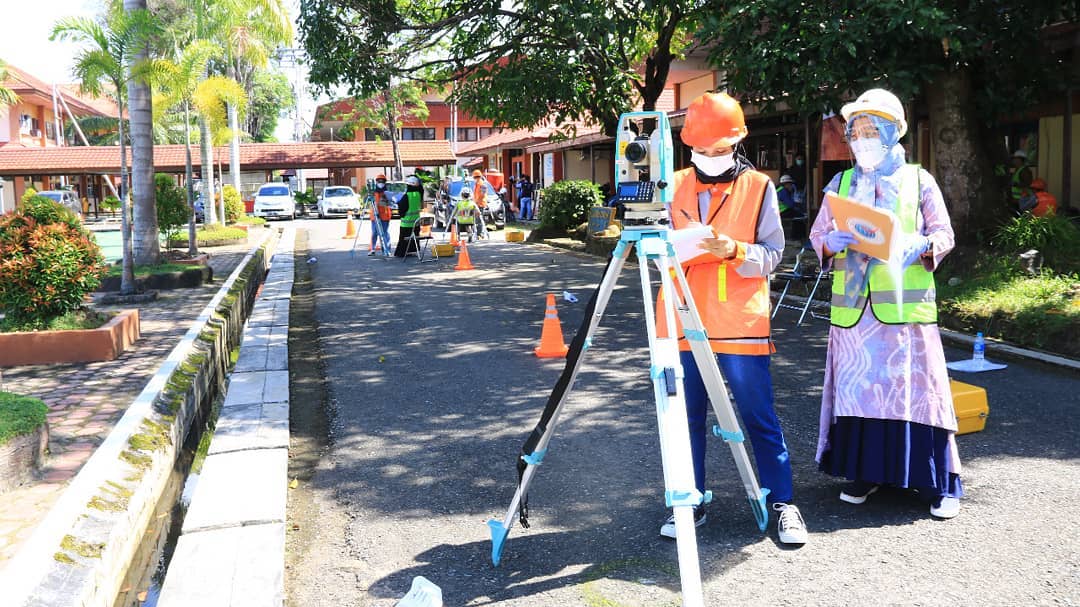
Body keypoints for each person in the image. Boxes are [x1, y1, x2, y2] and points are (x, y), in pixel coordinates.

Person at [656, 92, 807, 545]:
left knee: (758, 414)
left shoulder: (759, 186)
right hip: (682, 317)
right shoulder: (670, 185)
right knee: (686, 419)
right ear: (689, 145)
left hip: (739, 320)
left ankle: (782, 503)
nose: (712, 155)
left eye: (721, 148)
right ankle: (690, 502)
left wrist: (734, 250)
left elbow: (773, 254)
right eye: (703, 149)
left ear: (737, 142)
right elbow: (652, 248)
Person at [810, 88, 962, 520]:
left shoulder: (919, 180)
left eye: (870, 131)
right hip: (854, 314)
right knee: (859, 396)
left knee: (917, 395)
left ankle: (938, 482)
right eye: (855, 132)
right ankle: (867, 472)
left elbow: (944, 234)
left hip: (903, 313)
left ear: (893, 132)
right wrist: (830, 242)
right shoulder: (840, 183)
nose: (861, 140)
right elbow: (818, 237)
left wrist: (921, 245)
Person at [393, 175, 423, 258]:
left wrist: (398, 202)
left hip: (406, 224)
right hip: (416, 223)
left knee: (403, 240)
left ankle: (402, 253)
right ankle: (412, 250)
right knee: (414, 238)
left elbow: (402, 209)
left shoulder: (406, 196)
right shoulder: (418, 194)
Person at [369, 174, 393, 255]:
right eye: (379, 181)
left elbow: (384, 204)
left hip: (385, 216)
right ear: (376, 182)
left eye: (382, 181)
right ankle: (372, 249)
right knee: (374, 233)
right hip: (374, 216)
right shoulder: (373, 192)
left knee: (385, 233)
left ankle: (386, 249)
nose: (380, 183)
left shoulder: (387, 192)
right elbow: (371, 202)